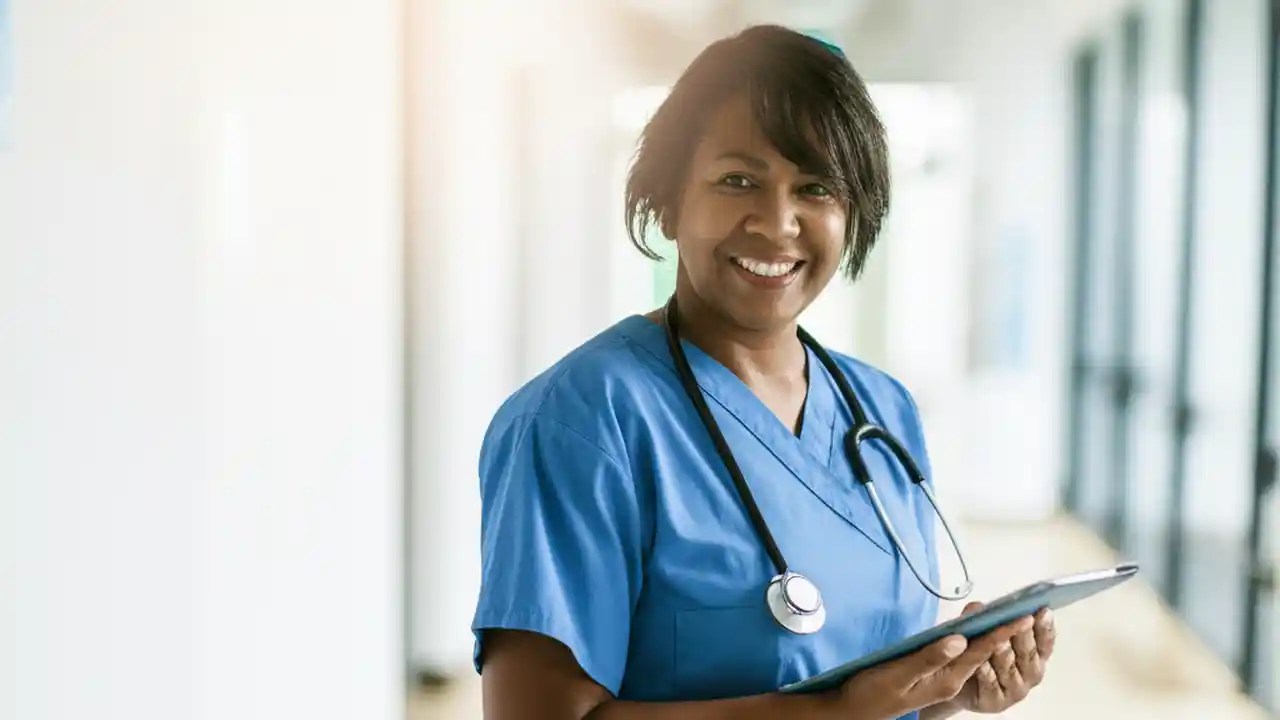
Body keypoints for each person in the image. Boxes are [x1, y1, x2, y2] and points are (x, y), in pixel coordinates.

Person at [470, 24, 1056, 720]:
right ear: (668, 200)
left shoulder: (883, 409)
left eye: (815, 188)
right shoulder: (582, 422)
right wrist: (829, 716)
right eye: (738, 180)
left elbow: (879, 694)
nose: (778, 223)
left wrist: (947, 688)